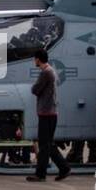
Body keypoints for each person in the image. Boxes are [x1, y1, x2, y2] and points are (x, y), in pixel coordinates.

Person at [27, 50, 70, 182]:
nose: (34, 61)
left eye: (35, 59)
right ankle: (63, 168)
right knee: (48, 144)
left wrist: (34, 87)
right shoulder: (50, 71)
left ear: (38, 59)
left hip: (46, 113)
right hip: (50, 113)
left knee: (45, 144)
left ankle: (41, 174)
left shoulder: (45, 73)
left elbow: (35, 90)